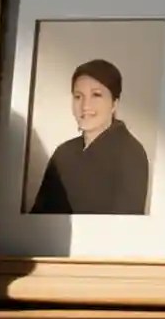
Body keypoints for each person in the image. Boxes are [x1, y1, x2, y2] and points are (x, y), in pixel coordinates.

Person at [31, 59, 150, 215]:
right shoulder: (63, 153)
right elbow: (39, 217)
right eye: (78, 96)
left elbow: (125, 227)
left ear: (114, 103)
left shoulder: (130, 153)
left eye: (96, 95)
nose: (85, 106)